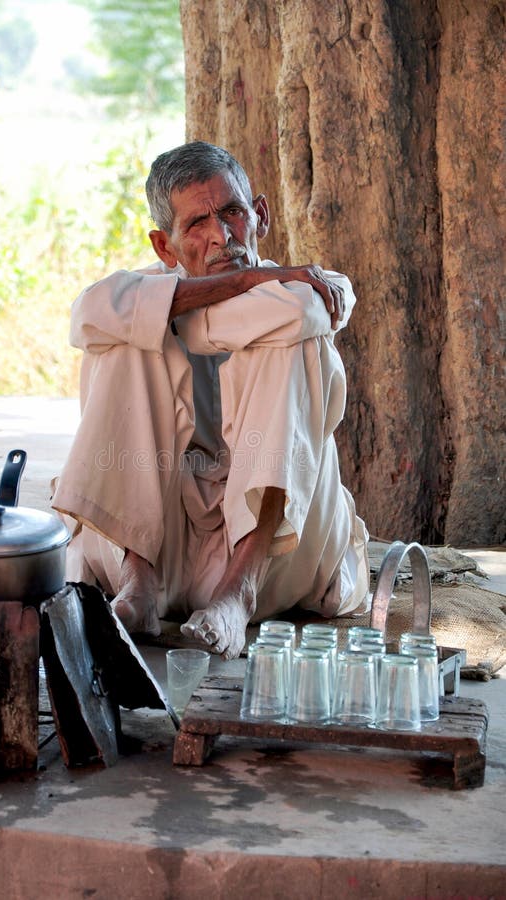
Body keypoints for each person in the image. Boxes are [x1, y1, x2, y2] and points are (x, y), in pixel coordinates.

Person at [52, 141, 370, 660]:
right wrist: (247, 280)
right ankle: (138, 585)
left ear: (260, 214)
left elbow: (302, 313)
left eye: (232, 212)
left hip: (277, 551)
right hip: (164, 541)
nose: (221, 236)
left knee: (287, 340)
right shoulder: (269, 283)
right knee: (125, 344)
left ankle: (235, 600)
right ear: (164, 246)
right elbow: (85, 314)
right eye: (196, 224)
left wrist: (169, 315)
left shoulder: (313, 286)